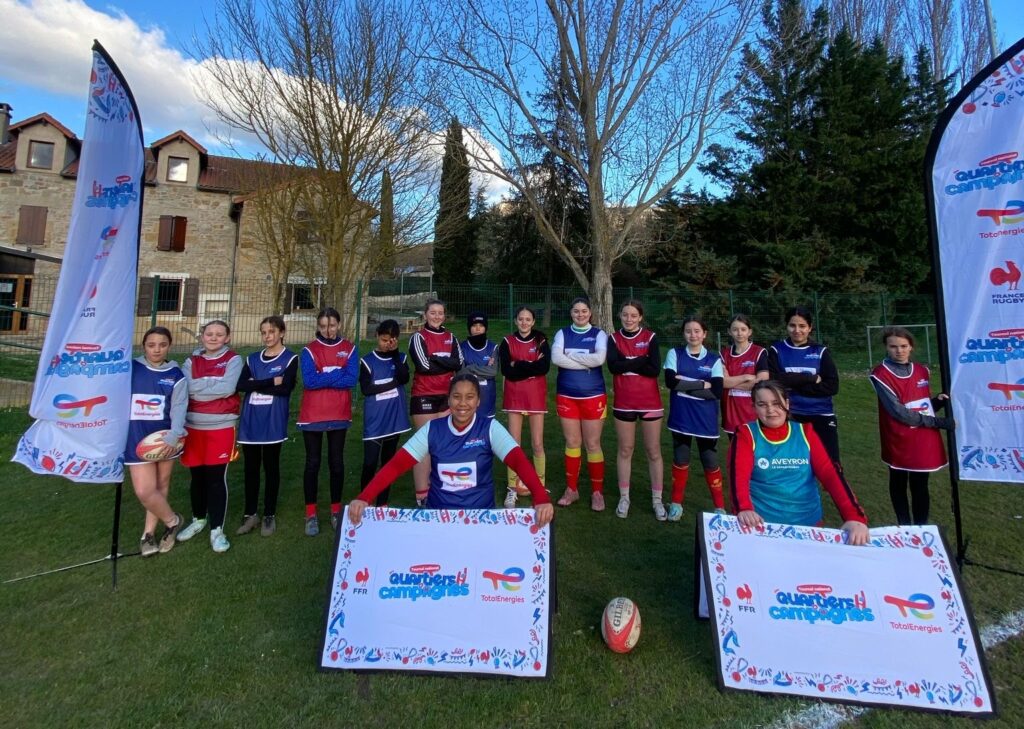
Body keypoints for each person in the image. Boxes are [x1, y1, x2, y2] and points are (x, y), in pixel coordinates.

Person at [347, 374, 553, 529]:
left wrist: (541, 498)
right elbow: (396, 465)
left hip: (480, 520)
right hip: (438, 519)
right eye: (456, 397)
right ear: (448, 400)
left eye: (469, 397)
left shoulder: (489, 428)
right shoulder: (432, 429)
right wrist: (365, 497)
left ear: (478, 401)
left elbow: (518, 461)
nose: (462, 403)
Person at [729, 380, 869, 545]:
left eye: (776, 403)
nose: (771, 410)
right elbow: (738, 477)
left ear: (787, 404)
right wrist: (744, 508)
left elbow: (831, 474)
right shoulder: (746, 434)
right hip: (762, 526)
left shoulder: (805, 432)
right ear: (754, 408)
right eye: (762, 404)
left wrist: (854, 517)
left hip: (808, 525)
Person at [870, 327, 953, 525]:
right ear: (886, 347)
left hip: (923, 437)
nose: (899, 350)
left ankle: (921, 528)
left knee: (920, 484)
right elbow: (899, 412)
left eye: (903, 346)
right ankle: (904, 526)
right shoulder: (880, 374)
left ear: (911, 347)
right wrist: (938, 422)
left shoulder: (922, 370)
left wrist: (937, 402)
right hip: (898, 437)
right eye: (893, 346)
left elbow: (920, 405)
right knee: (898, 480)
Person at [176, 320, 243, 553]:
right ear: (202, 336)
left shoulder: (233, 360)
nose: (213, 338)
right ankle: (198, 519)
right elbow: (186, 388)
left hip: (221, 426)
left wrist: (200, 389)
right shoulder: (190, 361)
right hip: (192, 426)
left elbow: (228, 388)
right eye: (209, 333)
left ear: (227, 338)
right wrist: (213, 388)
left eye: (219, 334)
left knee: (216, 479)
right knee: (197, 477)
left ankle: (217, 530)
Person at [123, 326, 187, 557]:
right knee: (144, 491)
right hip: (136, 437)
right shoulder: (131, 368)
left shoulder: (176, 375)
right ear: (143, 346)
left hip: (165, 439)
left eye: (162, 345)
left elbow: (179, 407)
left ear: (169, 346)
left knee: (161, 485)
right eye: (151, 345)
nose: (157, 349)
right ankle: (172, 521)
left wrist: (174, 435)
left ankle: (148, 534)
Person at [297, 307, 359, 536]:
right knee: (312, 463)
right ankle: (311, 514)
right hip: (312, 414)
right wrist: (337, 373)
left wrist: (323, 374)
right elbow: (309, 381)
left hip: (339, 413)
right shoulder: (309, 350)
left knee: (336, 463)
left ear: (339, 325)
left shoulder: (350, 349)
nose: (328, 330)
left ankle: (335, 511)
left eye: (332, 325)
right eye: (323, 326)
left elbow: (351, 379)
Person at [235, 315, 298, 537]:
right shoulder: (252, 359)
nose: (267, 336)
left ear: (282, 333)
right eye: (263, 332)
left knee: (271, 468)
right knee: (250, 469)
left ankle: (269, 514)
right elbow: (241, 385)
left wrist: (255, 384)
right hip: (251, 421)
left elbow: (285, 389)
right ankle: (250, 514)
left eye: (272, 332)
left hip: (272, 421)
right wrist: (271, 381)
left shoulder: (290, 358)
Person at [607, 300, 665, 520]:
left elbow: (654, 369)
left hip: (650, 403)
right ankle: (624, 498)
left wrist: (627, 362)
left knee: (653, 450)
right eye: (625, 315)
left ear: (640, 317)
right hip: (624, 402)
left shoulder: (650, 337)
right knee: (625, 449)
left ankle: (657, 500)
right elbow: (613, 367)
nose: (629, 319)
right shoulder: (613, 338)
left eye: (633, 315)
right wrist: (641, 360)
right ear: (620, 316)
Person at [663, 316, 725, 521]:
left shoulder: (714, 359)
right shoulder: (675, 353)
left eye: (697, 331)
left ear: (704, 334)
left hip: (705, 420)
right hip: (681, 418)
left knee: (710, 462)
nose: (693, 335)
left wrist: (685, 385)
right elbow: (670, 382)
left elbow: (716, 392)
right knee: (680, 460)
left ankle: (719, 507)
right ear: (684, 334)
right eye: (688, 331)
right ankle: (676, 504)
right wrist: (700, 384)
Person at [551, 297, 609, 510]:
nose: (580, 314)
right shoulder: (562, 333)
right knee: (572, 442)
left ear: (590, 313)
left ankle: (597, 493)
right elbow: (556, 359)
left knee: (592, 444)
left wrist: (571, 356)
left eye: (584, 311)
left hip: (593, 396)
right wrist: (585, 363)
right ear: (571, 313)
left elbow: (599, 359)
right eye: (576, 311)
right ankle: (571, 489)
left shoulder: (599, 334)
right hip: (567, 396)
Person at [768, 306, 842, 465]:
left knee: (831, 465)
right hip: (790, 414)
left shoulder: (820, 351)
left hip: (821, 414)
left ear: (810, 327)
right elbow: (774, 380)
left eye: (802, 326)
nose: (797, 330)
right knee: (795, 464)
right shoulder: (776, 350)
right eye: (792, 325)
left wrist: (794, 386)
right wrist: (810, 378)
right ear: (786, 326)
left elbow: (832, 386)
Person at [408, 298, 464, 504]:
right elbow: (424, 367)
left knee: (444, 445)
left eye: (440, 313)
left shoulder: (451, 337)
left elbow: (459, 363)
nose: (437, 316)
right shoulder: (418, 337)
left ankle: (441, 491)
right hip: (424, 395)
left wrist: (436, 359)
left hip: (446, 396)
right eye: (433, 313)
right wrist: (447, 363)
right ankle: (422, 496)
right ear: (425, 315)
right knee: (424, 445)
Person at [498, 305, 550, 508]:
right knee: (514, 443)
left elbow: (544, 368)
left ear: (533, 321)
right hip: (514, 396)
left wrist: (518, 364)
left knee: (537, 443)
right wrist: (530, 367)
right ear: (515, 321)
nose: (524, 322)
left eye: (528, 319)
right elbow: (506, 371)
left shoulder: (541, 341)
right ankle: (512, 487)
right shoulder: (507, 342)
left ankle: (540, 487)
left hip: (535, 396)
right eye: (521, 319)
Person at [359, 319, 411, 506]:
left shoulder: (400, 358)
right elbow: (367, 389)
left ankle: (382, 503)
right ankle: (365, 499)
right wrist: (392, 383)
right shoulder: (367, 361)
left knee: (388, 464)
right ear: (376, 336)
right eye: (383, 340)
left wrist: (395, 353)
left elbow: (404, 378)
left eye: (391, 341)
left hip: (394, 419)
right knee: (370, 462)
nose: (386, 344)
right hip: (374, 420)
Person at [721, 314, 770, 439]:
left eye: (743, 329)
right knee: (735, 448)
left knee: (757, 447)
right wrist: (746, 377)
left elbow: (761, 382)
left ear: (750, 332)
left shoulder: (759, 352)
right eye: (735, 329)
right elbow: (722, 382)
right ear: (729, 332)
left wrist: (731, 382)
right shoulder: (724, 354)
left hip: (753, 411)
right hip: (731, 412)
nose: (739, 333)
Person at [459, 310, 498, 420]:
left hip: (487, 395)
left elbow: (493, 371)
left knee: (485, 426)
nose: (477, 329)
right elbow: (461, 372)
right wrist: (483, 370)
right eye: (474, 325)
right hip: (466, 394)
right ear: (469, 328)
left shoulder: (493, 347)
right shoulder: (461, 347)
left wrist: (471, 368)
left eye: (481, 326)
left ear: (485, 328)